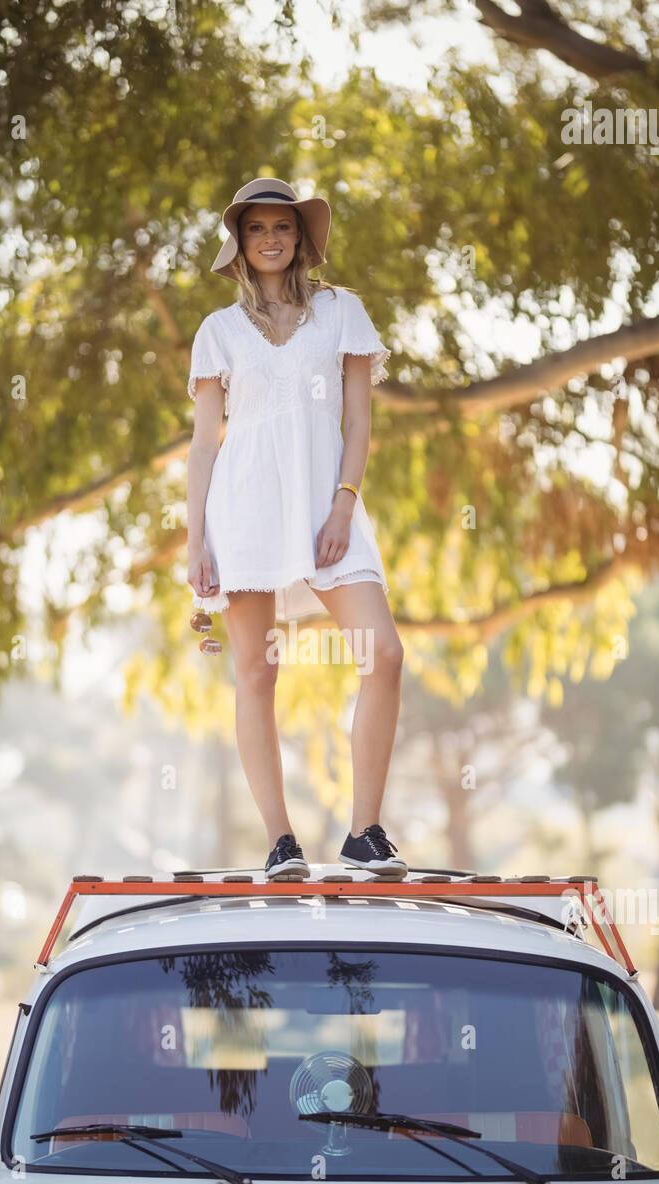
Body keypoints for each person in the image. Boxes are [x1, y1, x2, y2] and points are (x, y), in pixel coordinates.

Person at [186, 177, 406, 882]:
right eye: (256, 228)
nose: (271, 239)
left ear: (301, 237)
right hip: (243, 508)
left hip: (326, 507)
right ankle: (281, 841)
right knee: (256, 671)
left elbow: (359, 421)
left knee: (384, 655)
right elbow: (204, 445)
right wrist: (195, 541)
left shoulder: (342, 313)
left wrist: (343, 505)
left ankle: (364, 832)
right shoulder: (218, 332)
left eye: (282, 226)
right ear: (240, 243)